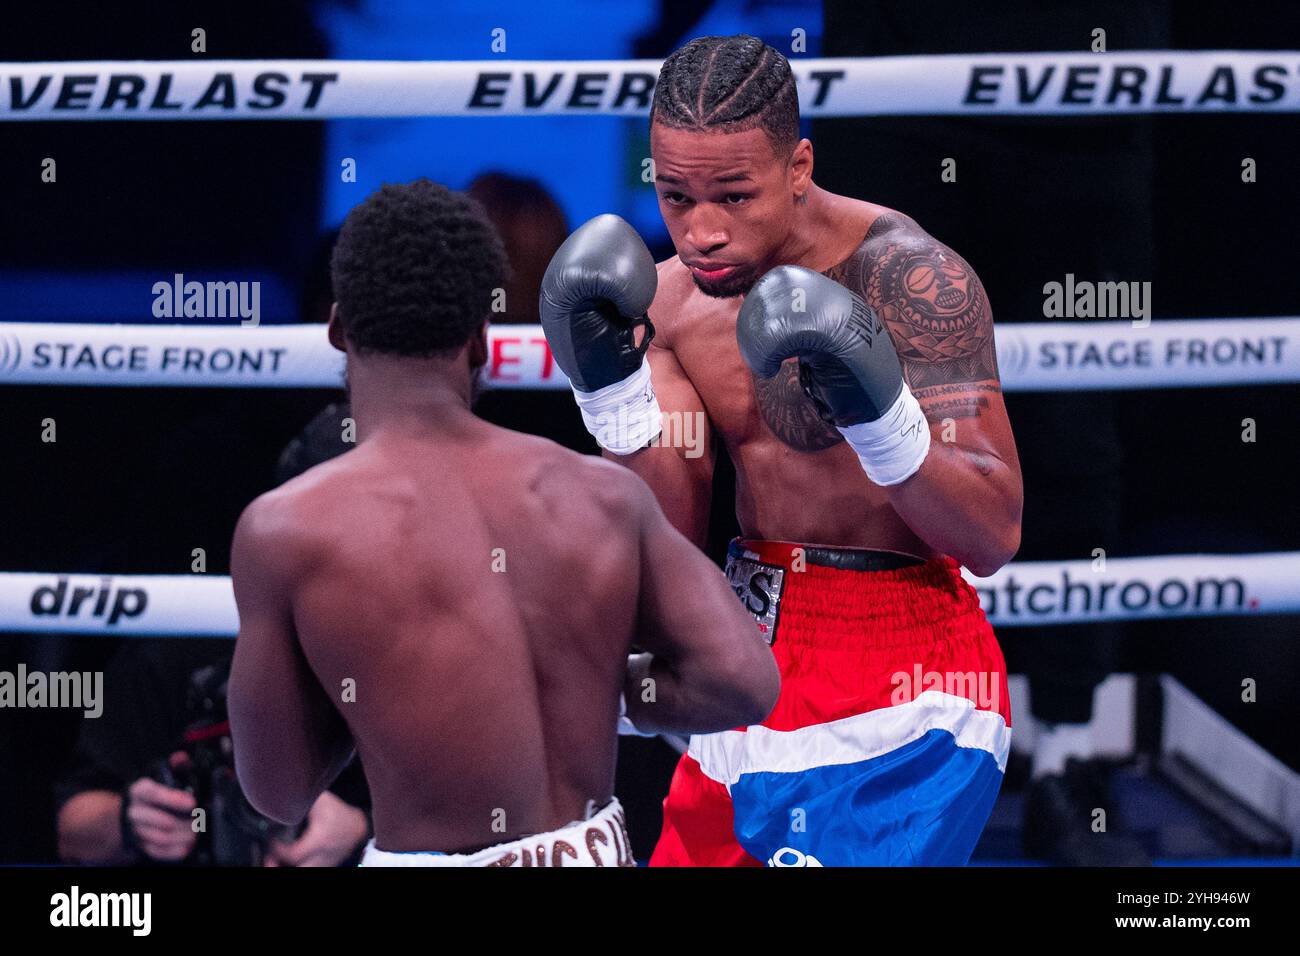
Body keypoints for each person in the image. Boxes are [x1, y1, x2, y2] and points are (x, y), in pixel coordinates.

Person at [540, 35, 1022, 866]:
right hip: (745, 656)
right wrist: (610, 394)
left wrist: (879, 416)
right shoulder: (669, 302)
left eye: (734, 195)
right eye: (677, 195)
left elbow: (991, 536)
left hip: (907, 678)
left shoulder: (906, 279)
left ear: (798, 166)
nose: (703, 231)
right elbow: (671, 532)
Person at [228, 179, 779, 867]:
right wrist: (603, 680)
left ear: (338, 329)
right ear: (481, 340)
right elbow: (743, 682)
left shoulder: (286, 530)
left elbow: (276, 791)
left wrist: (376, 688)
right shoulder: (601, 493)